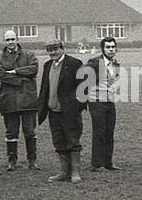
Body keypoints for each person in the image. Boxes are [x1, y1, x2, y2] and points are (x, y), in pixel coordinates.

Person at [36, 40, 86, 184]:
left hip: (70, 112)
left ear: (62, 49)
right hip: (53, 112)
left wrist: (77, 106)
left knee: (73, 140)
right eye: (50, 50)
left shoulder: (74, 63)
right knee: (59, 142)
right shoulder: (47, 65)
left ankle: (75, 172)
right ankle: (64, 172)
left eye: (55, 49)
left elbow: (84, 87)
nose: (53, 53)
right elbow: (45, 88)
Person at [0, 29, 40, 171]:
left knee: (30, 131)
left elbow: (34, 70)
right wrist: (23, 79)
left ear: (17, 39)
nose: (10, 42)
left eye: (12, 39)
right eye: (7, 40)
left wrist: (15, 72)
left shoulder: (29, 55)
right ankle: (12, 161)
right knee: (11, 132)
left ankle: (32, 160)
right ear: (4, 41)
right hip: (9, 100)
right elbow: (1, 75)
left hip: (28, 99)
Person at [84, 37, 122, 172]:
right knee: (99, 132)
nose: (111, 49)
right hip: (96, 102)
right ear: (102, 49)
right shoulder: (94, 63)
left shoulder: (116, 64)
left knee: (109, 132)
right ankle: (96, 164)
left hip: (110, 102)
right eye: (108, 47)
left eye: (113, 47)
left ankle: (108, 163)